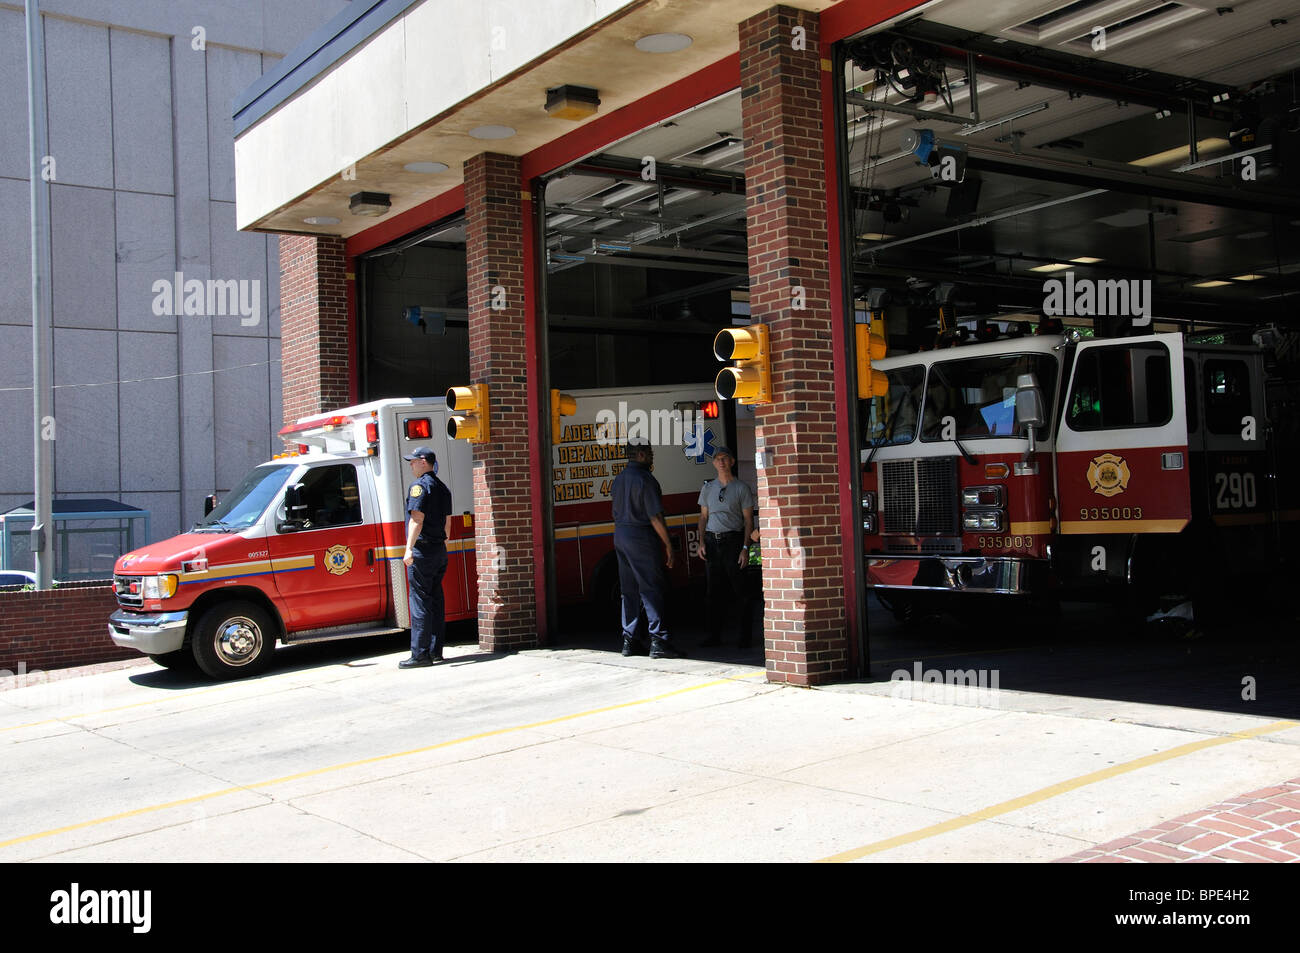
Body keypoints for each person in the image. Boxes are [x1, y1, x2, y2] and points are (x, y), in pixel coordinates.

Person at [610, 441, 682, 659]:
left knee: (628, 591)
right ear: (641, 455)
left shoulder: (619, 478)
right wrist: (668, 544)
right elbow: (655, 516)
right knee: (650, 588)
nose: (652, 456)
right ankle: (658, 642)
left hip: (620, 534)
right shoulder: (646, 479)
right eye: (650, 452)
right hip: (641, 537)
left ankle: (629, 641)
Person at [695, 446, 755, 648]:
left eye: (725, 458)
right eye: (718, 458)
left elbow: (748, 521)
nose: (721, 462)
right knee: (713, 593)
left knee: (741, 591)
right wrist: (701, 542)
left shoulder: (741, 488)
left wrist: (745, 548)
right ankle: (714, 636)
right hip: (712, 542)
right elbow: (703, 517)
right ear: (713, 463)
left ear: (732, 461)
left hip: (733, 541)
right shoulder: (707, 488)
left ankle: (745, 636)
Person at [399, 446, 453, 668]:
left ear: (423, 461)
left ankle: (420, 655)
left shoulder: (419, 488)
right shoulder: (442, 487)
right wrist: (443, 544)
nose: (411, 465)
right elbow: (448, 522)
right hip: (439, 549)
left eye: (413, 461)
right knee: (435, 600)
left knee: (420, 601)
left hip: (423, 551)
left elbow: (417, 520)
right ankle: (435, 650)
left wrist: (409, 549)